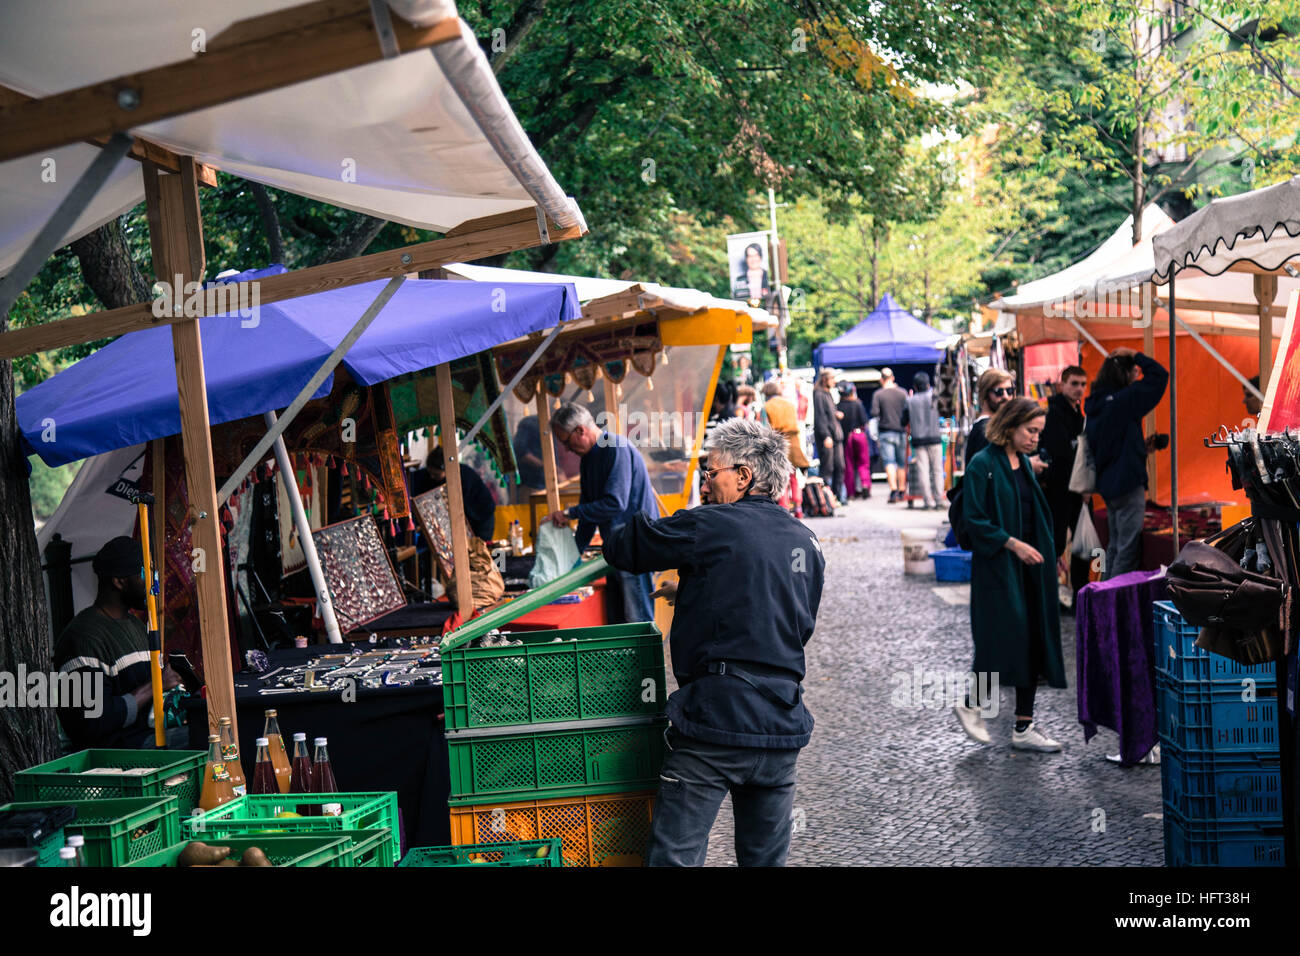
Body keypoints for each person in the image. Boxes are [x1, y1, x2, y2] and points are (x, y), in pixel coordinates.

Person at [602, 418, 825, 866]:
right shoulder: (807, 541)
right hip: (781, 726)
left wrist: (614, 502)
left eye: (711, 472)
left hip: (717, 724)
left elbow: (626, 546)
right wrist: (695, 590)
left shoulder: (711, 524)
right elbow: (784, 619)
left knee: (674, 858)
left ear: (743, 475)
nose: (705, 483)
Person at [953, 398, 1068, 752]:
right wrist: (1013, 544)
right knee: (1001, 637)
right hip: (1000, 567)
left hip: (1032, 565)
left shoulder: (1021, 464)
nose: (1035, 438)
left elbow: (1034, 514)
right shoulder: (982, 464)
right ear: (1011, 426)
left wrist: (1052, 553)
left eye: (1038, 432)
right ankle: (971, 702)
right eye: (1030, 431)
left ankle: (1024, 725)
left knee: (1033, 637)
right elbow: (975, 520)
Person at [52, 536, 181, 751]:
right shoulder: (83, 638)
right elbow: (91, 723)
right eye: (144, 575)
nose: (153, 584)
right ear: (119, 581)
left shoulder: (136, 625)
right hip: (118, 752)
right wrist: (155, 685)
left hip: (149, 735)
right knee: (203, 739)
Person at [546, 403, 659, 623]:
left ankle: (647, 658)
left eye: (567, 442)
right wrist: (571, 557)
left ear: (581, 430)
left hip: (634, 545)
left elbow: (614, 503)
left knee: (637, 618)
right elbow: (589, 517)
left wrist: (569, 513)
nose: (568, 450)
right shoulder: (588, 460)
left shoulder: (615, 447)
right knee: (620, 618)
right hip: (617, 547)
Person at [1084, 348, 1169, 579]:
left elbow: (1111, 443)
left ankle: (1105, 593)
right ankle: (1115, 599)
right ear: (1124, 373)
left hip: (1109, 484)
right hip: (1127, 482)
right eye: (1134, 371)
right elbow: (1160, 376)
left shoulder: (1096, 404)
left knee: (1115, 545)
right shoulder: (1124, 400)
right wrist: (1136, 353)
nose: (1137, 375)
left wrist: (1141, 447)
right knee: (1127, 548)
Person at [1039, 365, 1087, 562]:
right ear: (1062, 385)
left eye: (1083, 384)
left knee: (1082, 547)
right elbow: (1062, 454)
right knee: (1057, 542)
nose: (1079, 388)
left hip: (1075, 489)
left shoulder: (1077, 412)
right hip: (1059, 488)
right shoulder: (1054, 411)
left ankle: (1080, 590)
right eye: (1074, 383)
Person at [412, 447, 497, 543]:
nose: (432, 477)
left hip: (481, 517)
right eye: (430, 473)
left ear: (447, 470)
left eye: (436, 474)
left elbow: (458, 512)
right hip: (464, 519)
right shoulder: (428, 477)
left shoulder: (463, 478)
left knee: (478, 549)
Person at [761, 379, 809, 516]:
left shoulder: (767, 407)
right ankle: (798, 508)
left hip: (777, 443)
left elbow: (764, 429)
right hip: (793, 443)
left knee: (781, 478)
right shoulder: (790, 405)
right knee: (794, 476)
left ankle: (785, 508)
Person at [904, 372, 944, 509]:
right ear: (928, 384)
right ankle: (939, 501)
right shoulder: (935, 398)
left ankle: (928, 502)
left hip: (918, 440)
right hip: (935, 438)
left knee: (923, 471)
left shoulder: (910, 401)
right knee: (937, 470)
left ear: (915, 386)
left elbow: (903, 420)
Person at [870, 368, 908, 503]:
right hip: (901, 431)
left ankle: (893, 490)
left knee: (889, 462)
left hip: (886, 432)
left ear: (881, 379)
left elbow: (874, 413)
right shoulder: (903, 393)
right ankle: (902, 490)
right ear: (893, 377)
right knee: (901, 462)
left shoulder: (878, 395)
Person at [964, 368, 1015, 466]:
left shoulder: (990, 426)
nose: (1006, 396)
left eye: (1009, 391)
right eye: (998, 392)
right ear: (985, 394)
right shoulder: (986, 429)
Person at [813, 369, 846, 503]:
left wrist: (836, 414)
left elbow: (827, 414)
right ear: (825, 379)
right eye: (832, 378)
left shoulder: (828, 393)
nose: (834, 381)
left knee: (840, 466)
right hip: (827, 437)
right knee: (828, 468)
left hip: (836, 435)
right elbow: (820, 417)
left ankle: (836, 497)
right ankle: (825, 499)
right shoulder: (819, 394)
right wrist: (826, 435)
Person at [838, 381, 871, 500]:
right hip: (859, 435)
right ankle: (865, 485)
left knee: (849, 466)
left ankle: (851, 493)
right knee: (863, 463)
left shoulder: (838, 406)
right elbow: (864, 421)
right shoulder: (858, 404)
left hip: (847, 437)